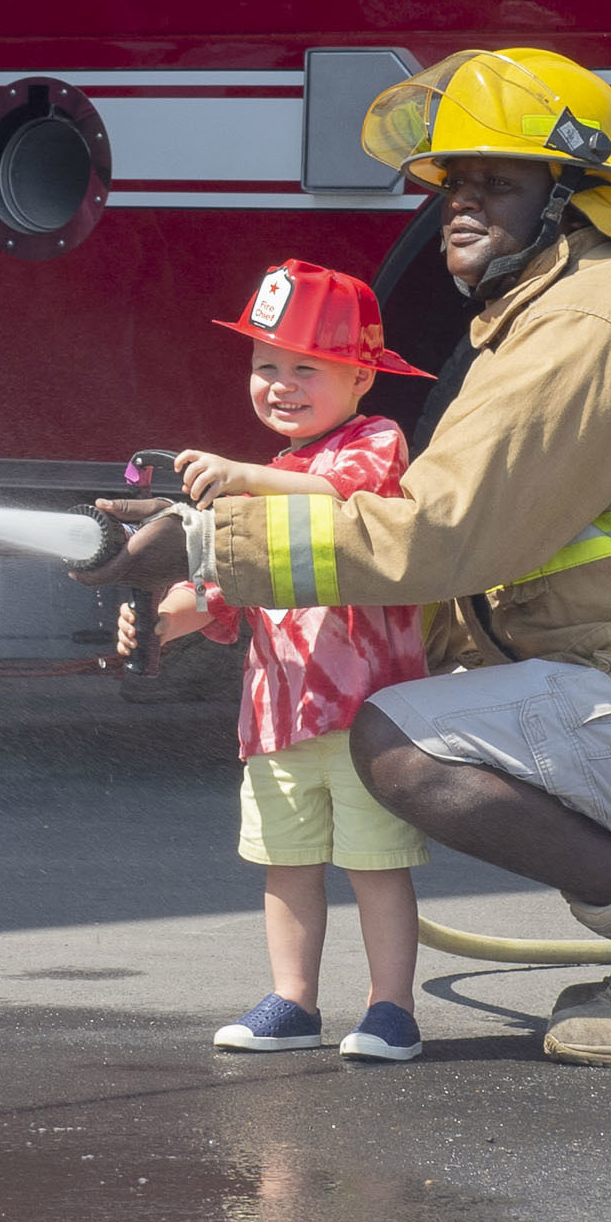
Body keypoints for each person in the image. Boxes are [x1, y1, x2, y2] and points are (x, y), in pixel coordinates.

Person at [84, 48, 611, 1070]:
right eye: (453, 183)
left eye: (497, 184)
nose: (460, 207)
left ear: (576, 201)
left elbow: (435, 534)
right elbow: (474, 568)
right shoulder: (554, 319)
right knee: (442, 700)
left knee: (399, 746)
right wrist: (206, 590)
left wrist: (207, 538)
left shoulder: (587, 328)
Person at [123, 261, 434, 1062]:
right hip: (277, 719)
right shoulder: (264, 482)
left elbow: (343, 496)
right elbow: (220, 591)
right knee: (284, 862)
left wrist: (239, 482)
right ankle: (294, 1002)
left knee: (376, 865)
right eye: (266, 366)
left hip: (370, 718)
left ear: (362, 374)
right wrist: (150, 620)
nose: (281, 384)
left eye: (307, 367)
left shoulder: (374, 441)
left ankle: (390, 1009)